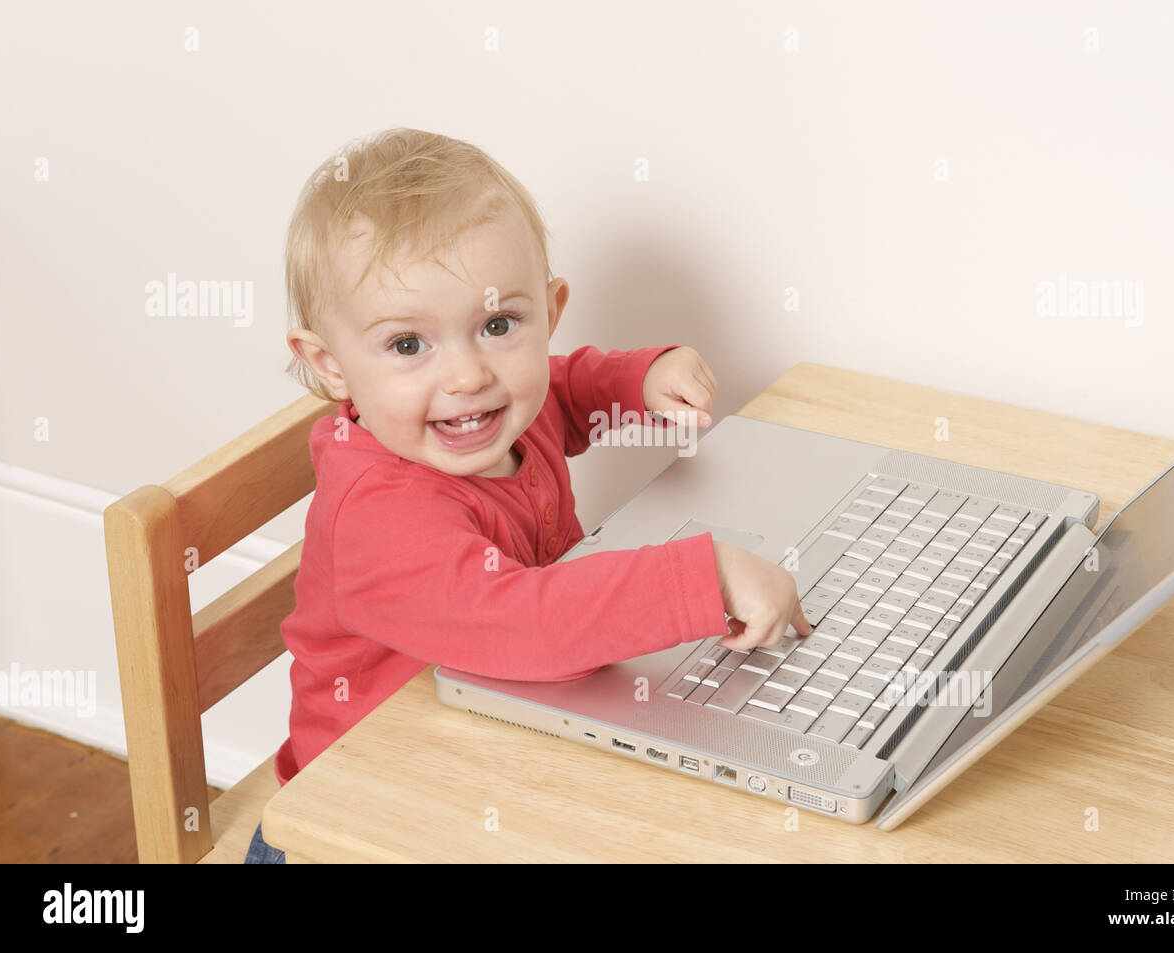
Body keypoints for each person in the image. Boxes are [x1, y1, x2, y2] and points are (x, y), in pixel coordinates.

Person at [246, 128, 808, 862]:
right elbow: (523, 622)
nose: (467, 375)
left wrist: (635, 379)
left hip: (491, 748)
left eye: (497, 324)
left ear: (551, 311)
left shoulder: (495, 409)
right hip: (356, 826)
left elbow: (566, 392)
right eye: (409, 345)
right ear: (330, 365)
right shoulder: (377, 515)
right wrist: (705, 577)